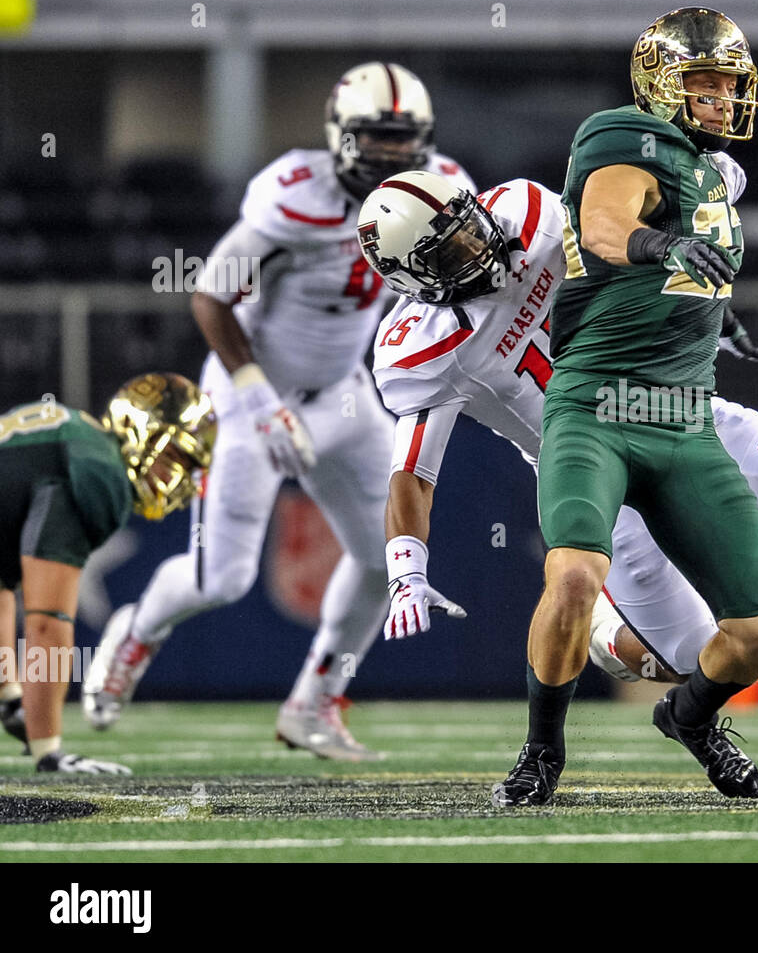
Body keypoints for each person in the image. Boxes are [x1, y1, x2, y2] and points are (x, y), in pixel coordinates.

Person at [81, 62, 476, 760]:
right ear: (340, 134)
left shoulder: (438, 188)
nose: (391, 152)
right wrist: (260, 400)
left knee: (388, 556)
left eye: (402, 137)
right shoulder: (296, 195)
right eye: (376, 137)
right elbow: (210, 296)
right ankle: (137, 631)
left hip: (342, 394)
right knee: (219, 578)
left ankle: (314, 703)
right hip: (249, 396)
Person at [490, 5, 758, 807]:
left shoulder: (715, 175)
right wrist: (661, 245)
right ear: (661, 85)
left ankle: (691, 717)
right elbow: (603, 225)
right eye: (705, 83)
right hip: (596, 406)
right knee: (574, 578)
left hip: (684, 419)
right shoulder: (623, 134)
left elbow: (675, 270)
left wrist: (715, 314)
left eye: (730, 85)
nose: (724, 100)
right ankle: (541, 752)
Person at [0, 374, 216, 773]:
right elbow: (47, 625)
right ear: (138, 430)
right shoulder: (98, 472)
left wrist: (10, 696)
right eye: (173, 459)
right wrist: (47, 750)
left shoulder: (76, 437)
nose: (176, 480)